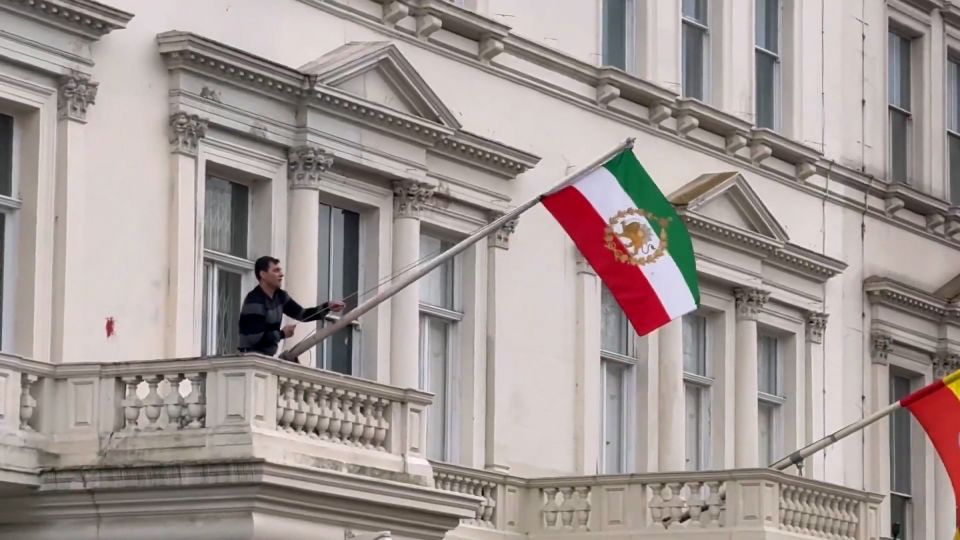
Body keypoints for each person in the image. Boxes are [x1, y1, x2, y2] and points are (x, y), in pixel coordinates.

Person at [238, 255, 345, 357]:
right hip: (250, 359)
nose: (281, 274)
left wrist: (327, 306)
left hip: (265, 358)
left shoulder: (280, 296)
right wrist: (282, 334)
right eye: (276, 270)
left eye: (280, 270)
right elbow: (254, 338)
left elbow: (303, 314)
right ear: (263, 274)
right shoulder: (254, 301)